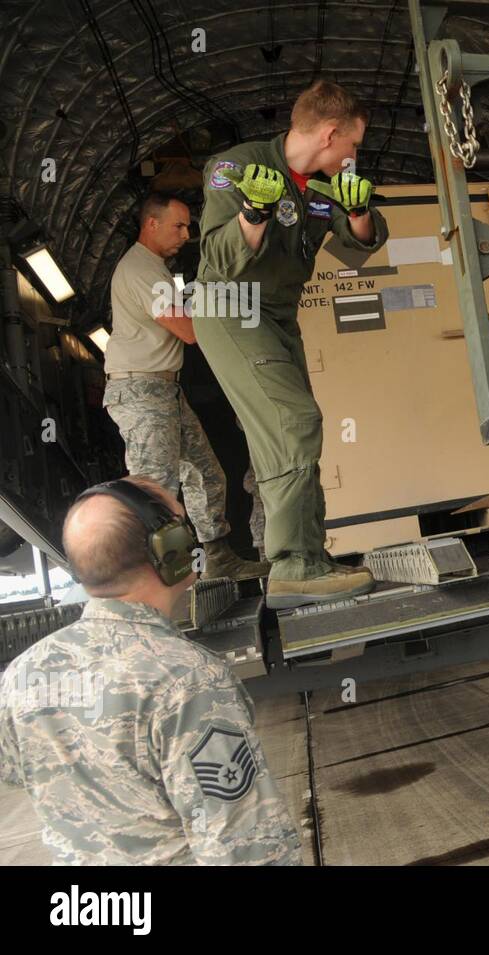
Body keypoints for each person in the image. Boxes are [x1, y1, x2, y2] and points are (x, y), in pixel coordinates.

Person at [0, 476, 302, 864]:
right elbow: (250, 847)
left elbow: (14, 773)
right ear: (170, 549)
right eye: (182, 525)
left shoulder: (24, 673)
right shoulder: (186, 680)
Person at [192, 79, 388, 609]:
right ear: (329, 133)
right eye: (352, 144)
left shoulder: (325, 185)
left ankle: (311, 557)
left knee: (290, 433)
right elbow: (222, 260)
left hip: (279, 316)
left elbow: (362, 247)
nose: (354, 154)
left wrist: (358, 211)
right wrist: (253, 213)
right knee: (293, 422)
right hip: (230, 306)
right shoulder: (236, 169)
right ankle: (293, 565)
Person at [104, 192, 268, 581]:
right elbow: (187, 331)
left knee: (205, 475)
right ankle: (147, 580)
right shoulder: (140, 269)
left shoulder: (155, 268)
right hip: (141, 392)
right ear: (152, 224)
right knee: (155, 489)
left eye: (188, 225)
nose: (185, 233)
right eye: (178, 225)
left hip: (165, 390)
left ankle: (219, 557)